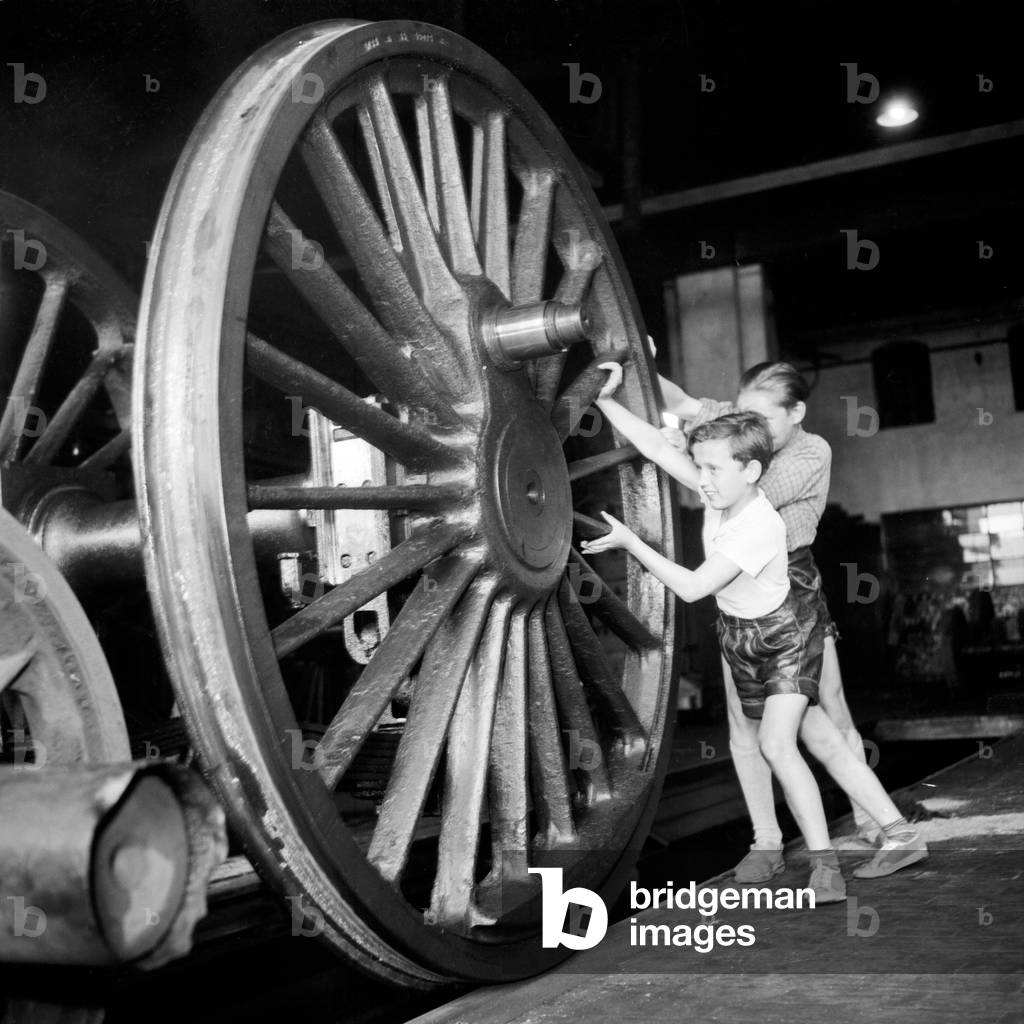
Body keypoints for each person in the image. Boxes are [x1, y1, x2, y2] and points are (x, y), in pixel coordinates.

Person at [586, 379, 928, 895]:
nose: (699, 479)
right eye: (699, 468)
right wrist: (608, 400)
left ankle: (825, 866)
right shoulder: (722, 491)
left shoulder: (758, 518)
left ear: (748, 471)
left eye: (712, 469)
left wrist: (632, 541)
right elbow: (656, 445)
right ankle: (896, 835)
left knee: (776, 742)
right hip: (743, 634)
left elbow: (697, 587)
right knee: (819, 740)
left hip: (784, 634)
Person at [654, 358, 882, 879]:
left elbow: (746, 494)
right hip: (737, 586)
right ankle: (767, 841)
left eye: (764, 420)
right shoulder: (741, 426)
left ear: (797, 411)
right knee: (743, 725)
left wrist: (688, 459)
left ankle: (873, 819)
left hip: (791, 587)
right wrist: (635, 361)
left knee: (829, 707)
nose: (752, 428)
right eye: (743, 415)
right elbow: (680, 403)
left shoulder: (810, 451)